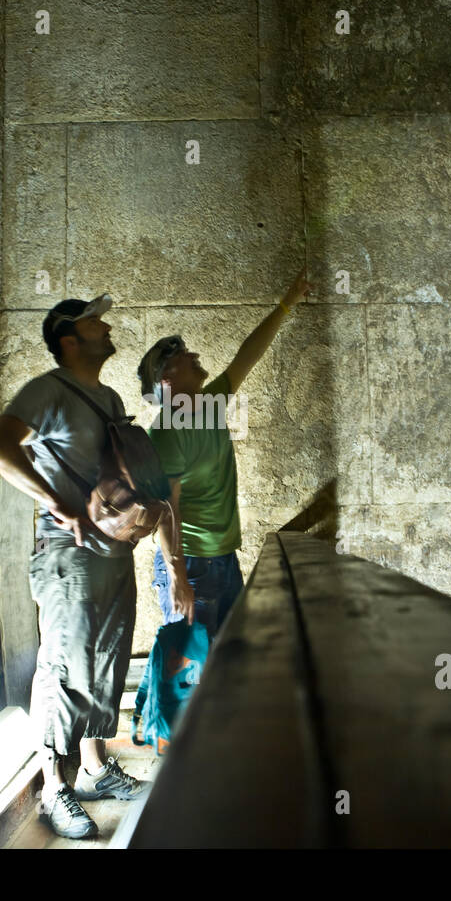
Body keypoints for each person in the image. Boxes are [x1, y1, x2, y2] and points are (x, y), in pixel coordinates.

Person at [0, 293, 153, 839]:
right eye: (94, 322)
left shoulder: (110, 394)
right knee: (62, 666)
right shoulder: (46, 391)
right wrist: (54, 501)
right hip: (67, 554)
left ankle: (97, 769)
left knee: (105, 659)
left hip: (112, 548)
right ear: (69, 340)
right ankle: (56, 788)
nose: (107, 327)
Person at [132, 269, 314, 754]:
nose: (196, 356)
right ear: (168, 379)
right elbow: (169, 507)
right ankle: (177, 765)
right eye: (186, 356)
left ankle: (216, 756)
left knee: (221, 662)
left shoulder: (208, 404)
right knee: (186, 670)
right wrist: (176, 575)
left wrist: (287, 301)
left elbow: (246, 356)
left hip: (221, 560)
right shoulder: (167, 429)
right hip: (189, 565)